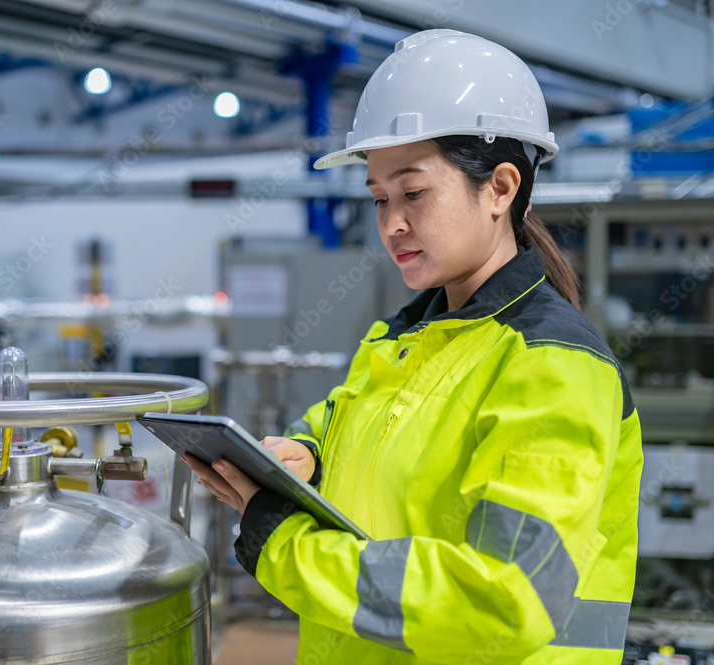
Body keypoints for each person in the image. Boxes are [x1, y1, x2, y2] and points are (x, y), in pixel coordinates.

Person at [184, 29, 642, 664]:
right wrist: (302, 457)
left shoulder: (555, 368)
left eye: (414, 193)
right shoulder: (403, 341)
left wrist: (284, 545)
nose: (391, 223)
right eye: (379, 198)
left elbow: (504, 597)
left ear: (502, 189)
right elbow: (337, 429)